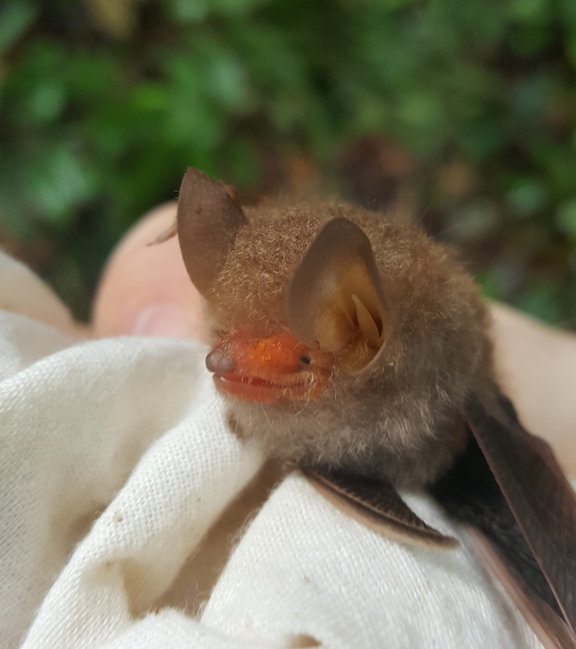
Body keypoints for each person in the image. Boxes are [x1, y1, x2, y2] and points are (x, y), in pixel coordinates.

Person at [93, 202, 576, 479]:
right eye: (225, 337)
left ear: (368, 344)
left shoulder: (426, 392)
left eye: (302, 358)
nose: (225, 361)